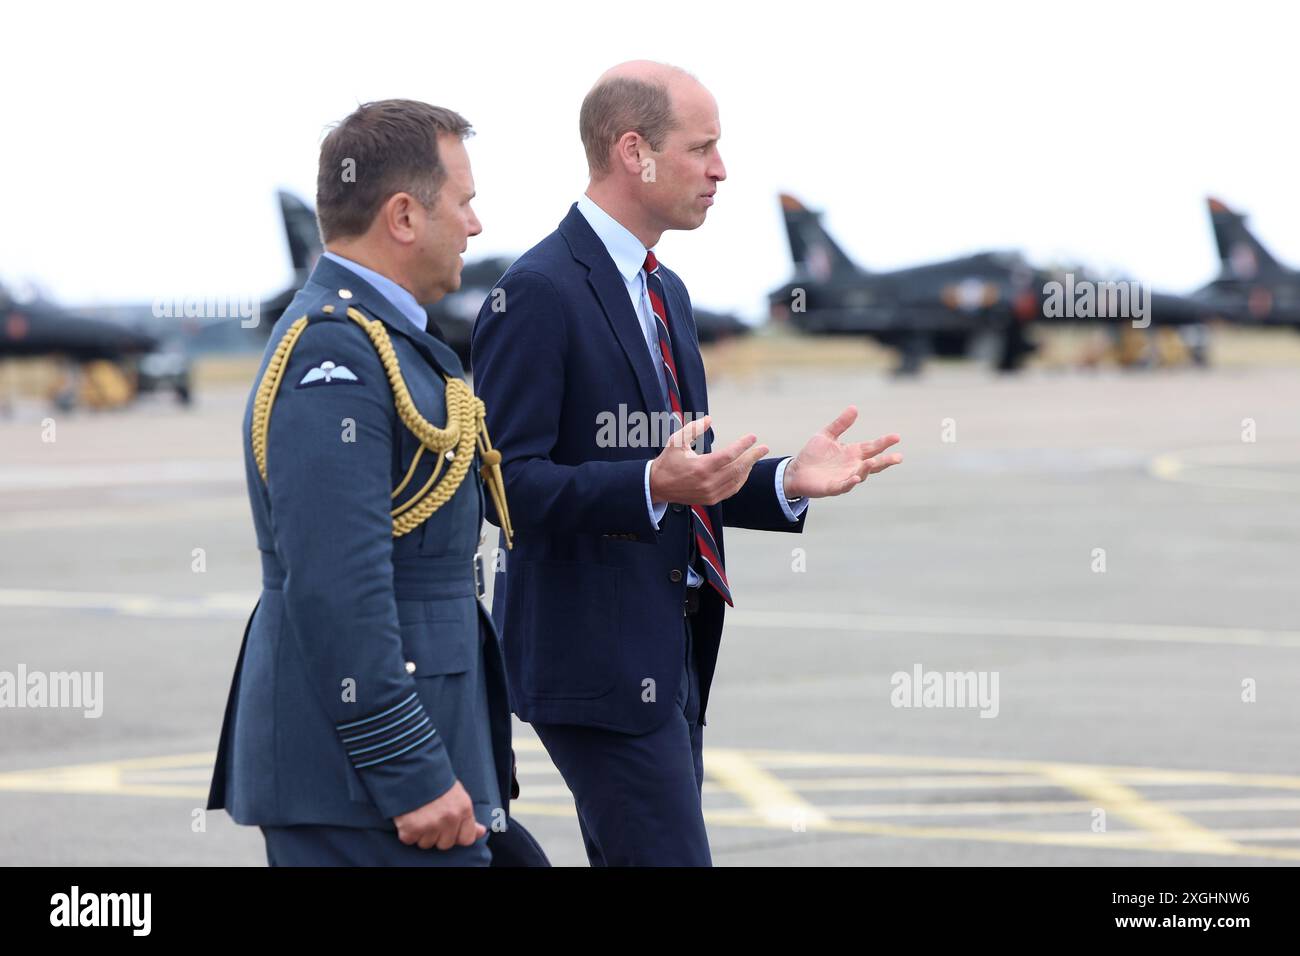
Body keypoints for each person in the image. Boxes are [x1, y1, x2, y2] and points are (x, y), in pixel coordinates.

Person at [471, 62, 902, 866]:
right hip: (594, 663)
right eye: (702, 148)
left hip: (668, 650)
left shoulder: (663, 290)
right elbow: (505, 487)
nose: (721, 169)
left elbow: (685, 476)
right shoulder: (536, 292)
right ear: (634, 152)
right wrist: (647, 485)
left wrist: (783, 480)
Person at [207, 99, 546, 867]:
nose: (475, 225)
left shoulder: (396, 342)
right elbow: (334, 584)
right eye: (464, 202)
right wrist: (410, 774)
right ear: (403, 216)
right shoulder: (335, 352)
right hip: (365, 785)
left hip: (427, 754)